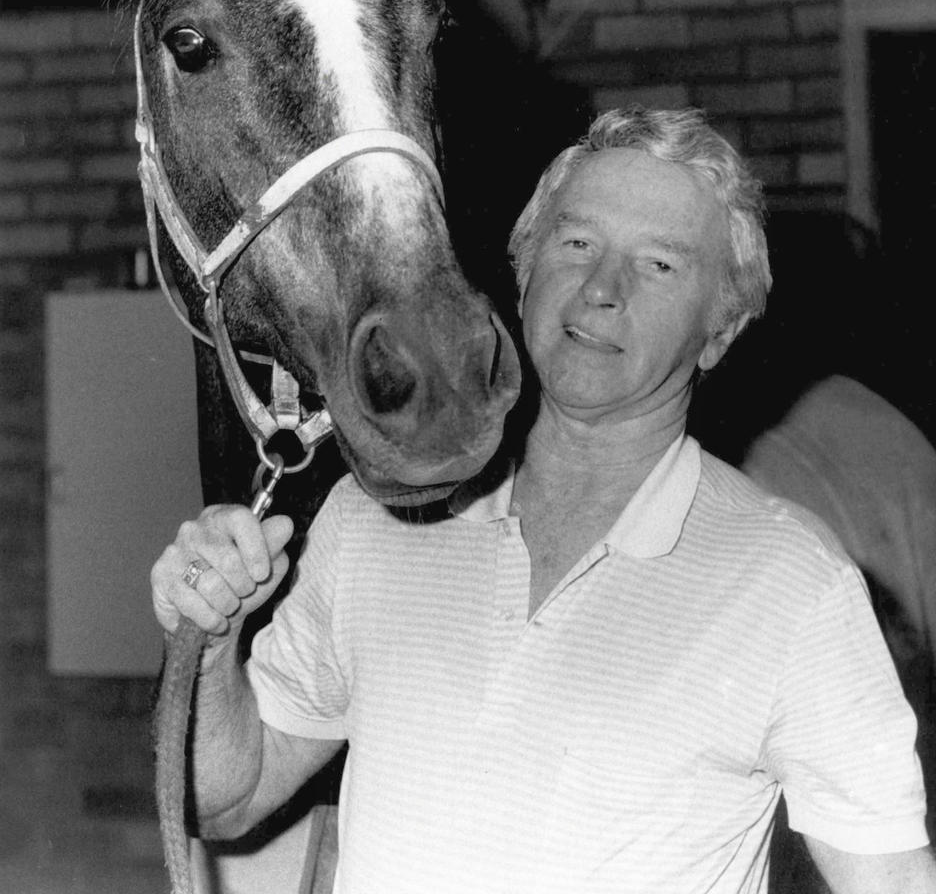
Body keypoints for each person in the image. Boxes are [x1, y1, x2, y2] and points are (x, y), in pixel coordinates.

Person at [152, 106, 934, 893]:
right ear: (524, 274)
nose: (601, 289)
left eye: (660, 264)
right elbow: (226, 799)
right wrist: (212, 644)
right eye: (578, 243)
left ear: (720, 333)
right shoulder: (374, 516)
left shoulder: (793, 584)